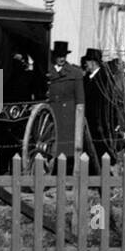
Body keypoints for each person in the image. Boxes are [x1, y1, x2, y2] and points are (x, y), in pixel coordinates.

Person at [46, 41, 85, 169]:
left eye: (64, 56)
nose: (62, 59)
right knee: (51, 141)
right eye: (59, 55)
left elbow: (80, 99)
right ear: (54, 56)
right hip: (52, 112)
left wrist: (79, 116)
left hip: (68, 114)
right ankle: (52, 170)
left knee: (67, 144)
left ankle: (67, 172)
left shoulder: (75, 73)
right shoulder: (47, 71)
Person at [81, 48, 116, 168]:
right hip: (89, 119)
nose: (86, 64)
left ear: (94, 62)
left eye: (88, 61)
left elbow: (109, 101)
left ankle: (106, 175)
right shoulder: (87, 78)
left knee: (102, 148)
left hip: (101, 120)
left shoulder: (104, 77)